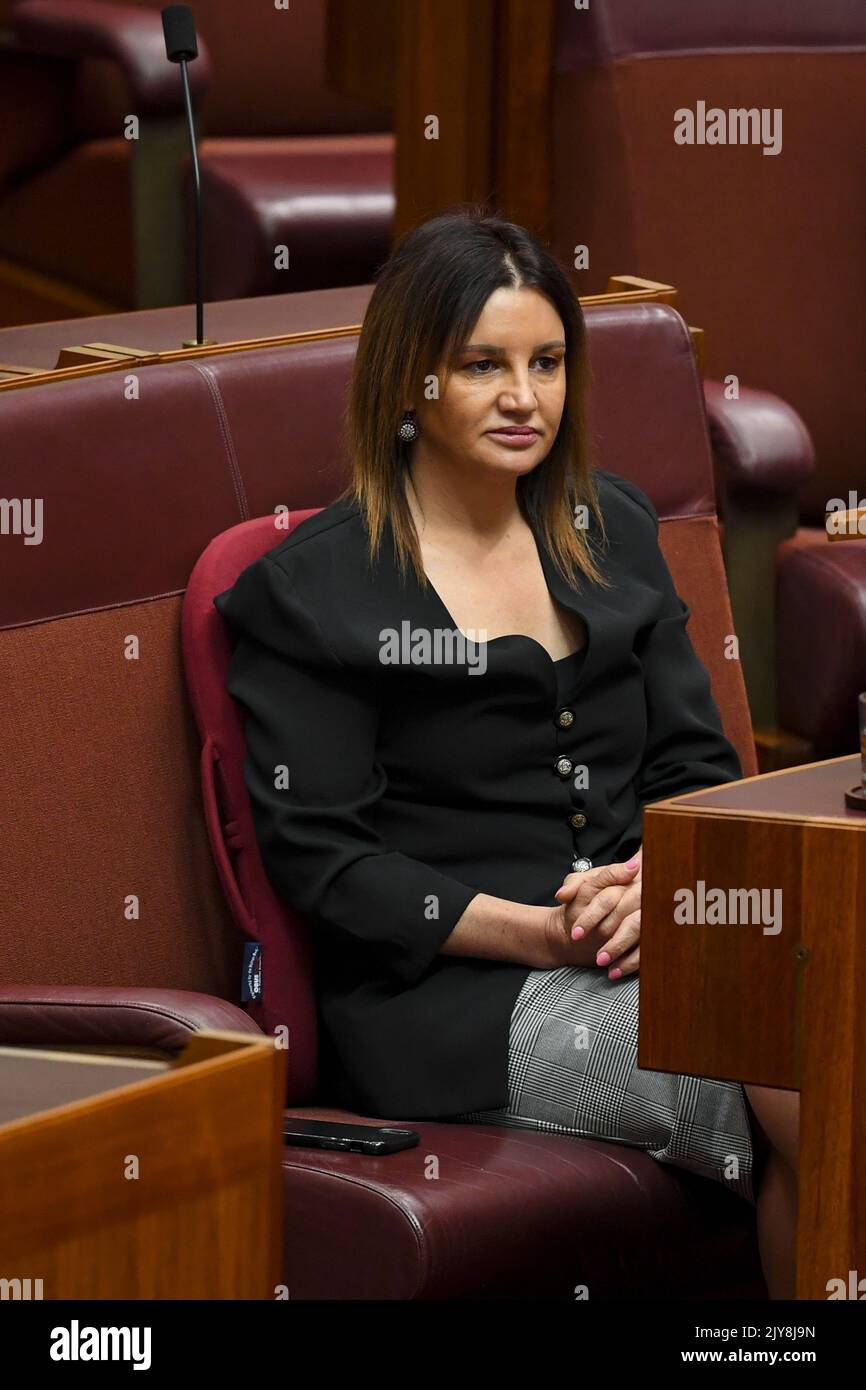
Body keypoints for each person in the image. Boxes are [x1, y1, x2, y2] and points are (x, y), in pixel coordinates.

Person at [213, 207, 799, 1299]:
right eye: (481, 365)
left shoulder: (608, 525)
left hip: (648, 943)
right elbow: (329, 863)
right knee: (800, 1051)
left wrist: (661, 882)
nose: (523, 397)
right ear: (407, 380)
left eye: (545, 362)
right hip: (459, 1004)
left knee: (827, 1018)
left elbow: (693, 772)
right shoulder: (316, 592)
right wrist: (537, 934)